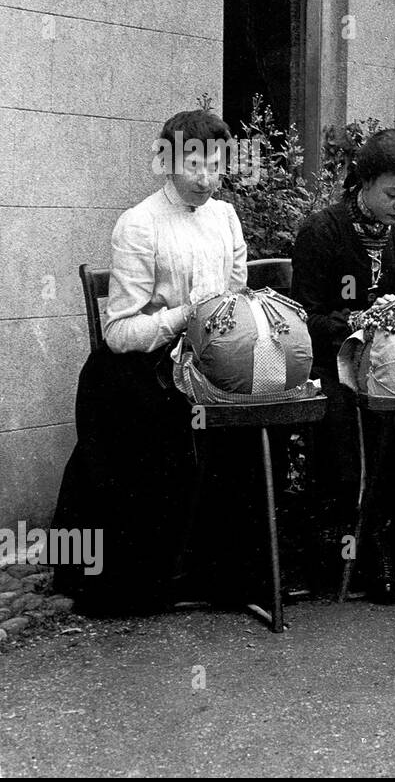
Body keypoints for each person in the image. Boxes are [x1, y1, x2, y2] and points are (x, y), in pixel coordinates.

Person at [53, 109, 248, 612]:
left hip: (206, 357)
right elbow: (118, 332)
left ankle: (223, 571)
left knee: (255, 409)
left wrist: (220, 324)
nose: (206, 179)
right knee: (152, 421)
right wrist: (186, 316)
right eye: (193, 166)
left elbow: (235, 292)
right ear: (166, 161)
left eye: (217, 166)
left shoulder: (225, 216)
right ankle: (144, 579)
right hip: (141, 366)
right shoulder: (139, 223)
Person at [291, 129, 395, 602]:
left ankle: (384, 536)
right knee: (344, 417)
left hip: (384, 360)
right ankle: (351, 546)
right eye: (392, 194)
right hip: (328, 363)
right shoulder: (322, 231)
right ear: (363, 183)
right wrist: (354, 320)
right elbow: (302, 317)